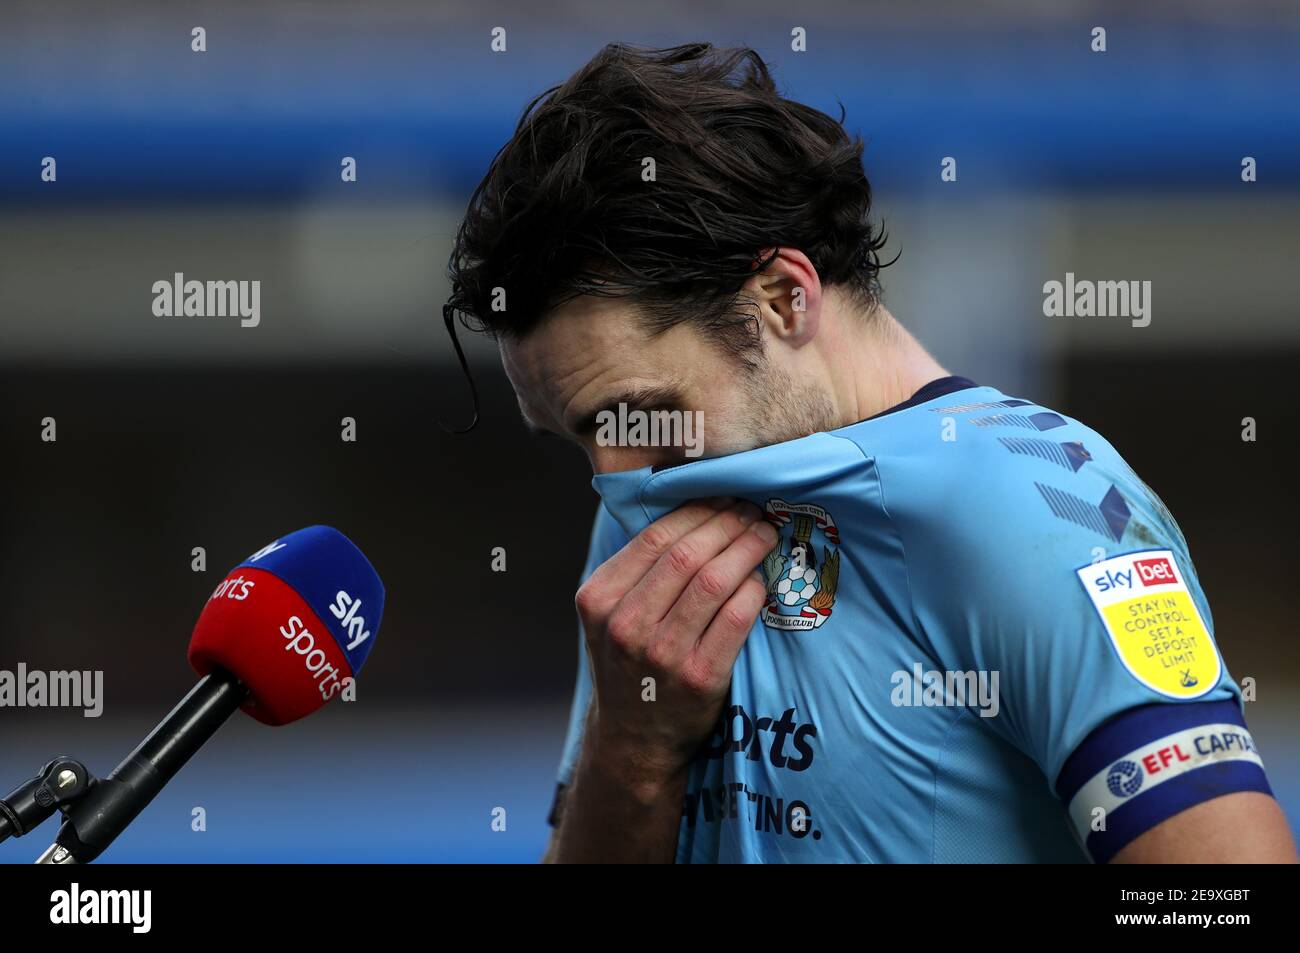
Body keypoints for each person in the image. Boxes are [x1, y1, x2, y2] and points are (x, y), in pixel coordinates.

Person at [444, 42, 1297, 863]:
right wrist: (629, 753)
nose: (615, 482)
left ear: (782, 300)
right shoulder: (652, 504)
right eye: (578, 439)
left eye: (642, 415)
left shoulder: (1039, 513)